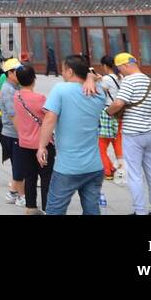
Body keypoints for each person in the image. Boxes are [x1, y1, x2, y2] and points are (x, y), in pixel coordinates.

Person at [37, 54, 107, 215]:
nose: (62, 74)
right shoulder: (99, 93)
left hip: (68, 167)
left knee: (55, 210)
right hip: (94, 166)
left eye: (63, 70)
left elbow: (49, 119)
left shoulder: (61, 89)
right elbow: (99, 79)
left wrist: (42, 146)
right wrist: (90, 77)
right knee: (92, 210)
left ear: (69, 71)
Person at [106, 52, 151, 215]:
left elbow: (118, 103)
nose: (119, 73)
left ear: (124, 65)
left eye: (119, 69)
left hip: (134, 133)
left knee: (134, 174)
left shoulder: (129, 81)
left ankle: (140, 211)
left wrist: (108, 112)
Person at [11, 65, 52, 214]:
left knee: (30, 177)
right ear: (34, 79)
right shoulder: (40, 98)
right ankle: (48, 208)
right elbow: (51, 115)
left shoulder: (17, 96)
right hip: (43, 144)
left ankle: (30, 207)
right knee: (46, 177)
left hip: (24, 143)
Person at [0, 57, 24, 204]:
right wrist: (22, 134)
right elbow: (13, 115)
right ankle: (22, 197)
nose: (20, 73)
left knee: (18, 164)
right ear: (10, 73)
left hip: (13, 132)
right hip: (13, 133)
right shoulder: (8, 90)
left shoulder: (15, 87)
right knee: (19, 167)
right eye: (18, 71)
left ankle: (12, 193)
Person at [95, 56, 125, 182]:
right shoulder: (121, 77)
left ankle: (107, 170)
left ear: (105, 66)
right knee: (117, 142)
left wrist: (97, 80)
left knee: (101, 145)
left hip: (108, 112)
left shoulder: (106, 79)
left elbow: (98, 91)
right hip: (119, 112)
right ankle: (122, 170)